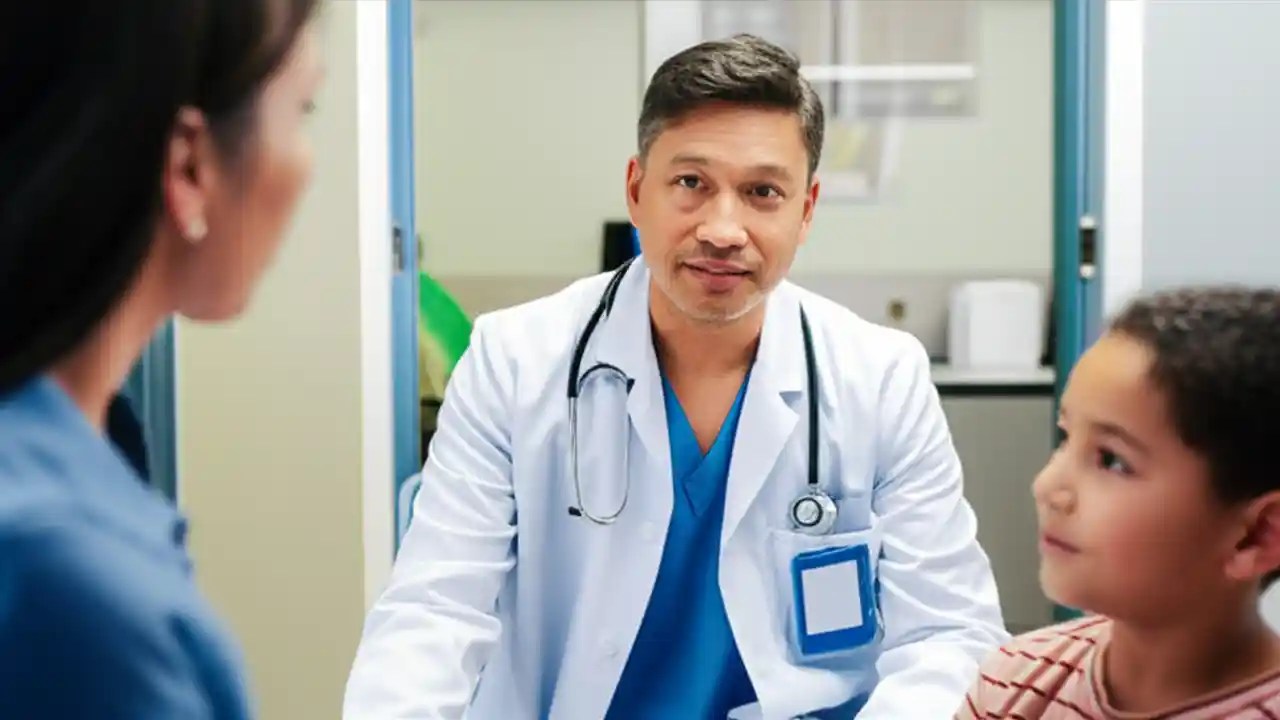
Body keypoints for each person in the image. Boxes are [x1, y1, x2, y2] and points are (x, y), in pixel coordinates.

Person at [345, 33, 1007, 720]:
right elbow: (435, 609)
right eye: (692, 183)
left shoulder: (880, 378)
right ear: (637, 190)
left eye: (762, 192)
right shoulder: (514, 361)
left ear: (805, 210)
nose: (724, 228)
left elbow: (947, 632)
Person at [0, 1, 322, 717]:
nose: (306, 163)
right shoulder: (74, 591)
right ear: (188, 164)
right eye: (304, 110)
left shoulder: (78, 456)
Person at [956, 288, 1280, 719]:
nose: (1048, 486)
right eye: (1066, 438)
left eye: (1111, 460)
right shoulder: (1015, 681)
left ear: (1254, 537)